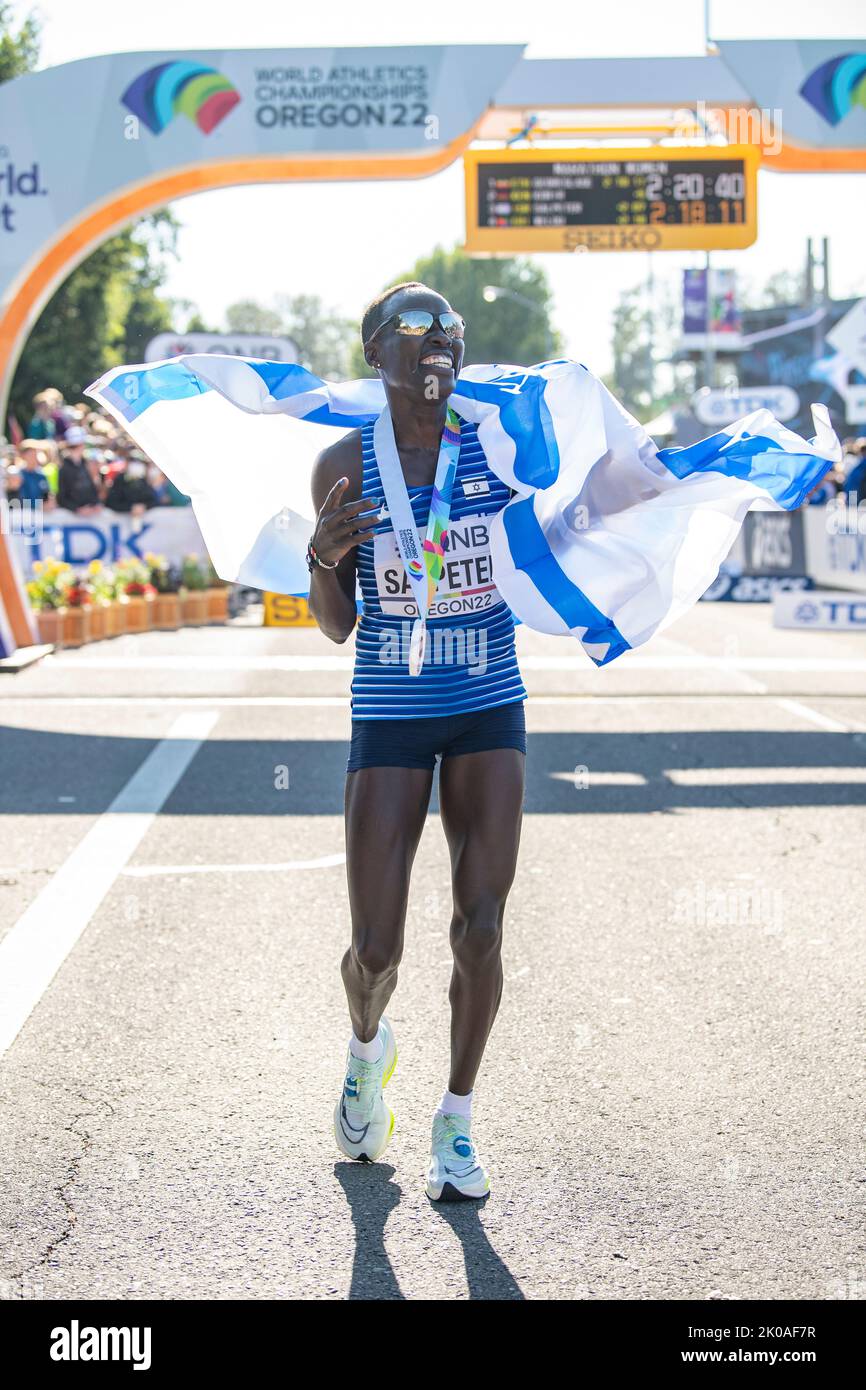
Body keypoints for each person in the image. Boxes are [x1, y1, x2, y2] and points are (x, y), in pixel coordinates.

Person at [307, 282, 526, 1201]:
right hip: (391, 707)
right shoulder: (342, 463)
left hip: (487, 699)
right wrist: (323, 556)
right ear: (376, 355)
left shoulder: (508, 449)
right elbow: (335, 625)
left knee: (480, 926)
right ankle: (367, 1051)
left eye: (450, 329)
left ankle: (458, 1121)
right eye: (416, 328)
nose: (439, 340)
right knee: (378, 949)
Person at [57, 426, 100, 512]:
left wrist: (95, 505)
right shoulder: (64, 468)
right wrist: (77, 509)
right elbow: (61, 497)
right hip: (72, 519)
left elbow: (91, 490)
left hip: (89, 515)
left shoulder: (85, 464)